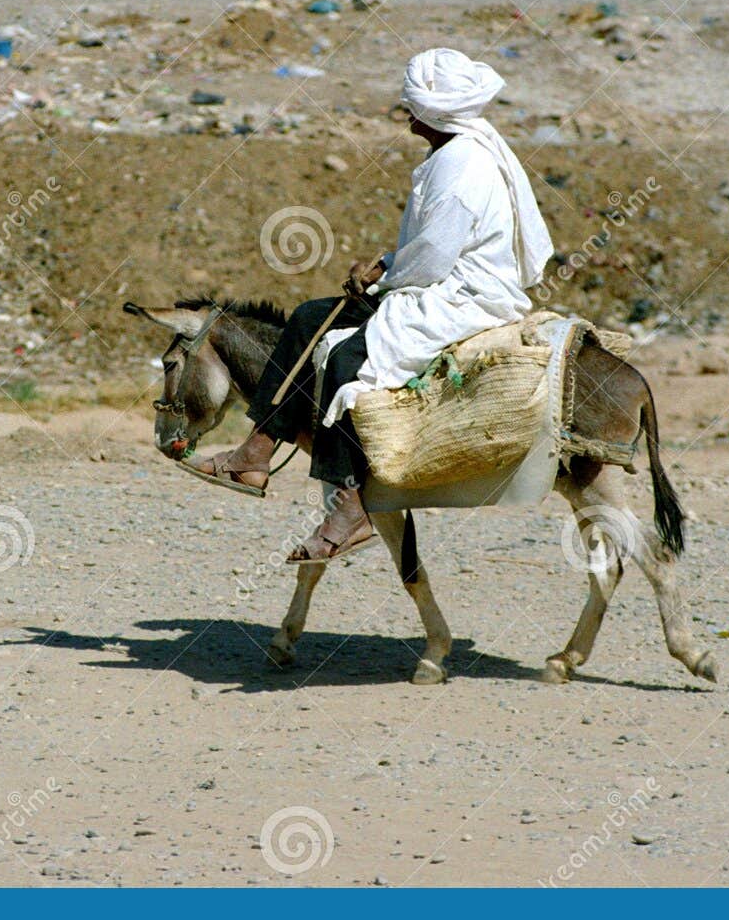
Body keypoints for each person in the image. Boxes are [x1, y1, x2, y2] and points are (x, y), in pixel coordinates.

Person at [188, 49, 552, 563]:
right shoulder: (452, 153)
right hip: (436, 279)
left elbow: (432, 261)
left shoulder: (463, 166)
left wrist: (382, 276)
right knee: (311, 318)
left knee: (345, 360)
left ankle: (351, 503)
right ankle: (257, 450)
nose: (407, 115)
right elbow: (428, 249)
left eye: (413, 107)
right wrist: (384, 264)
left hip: (464, 297)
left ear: (434, 113)